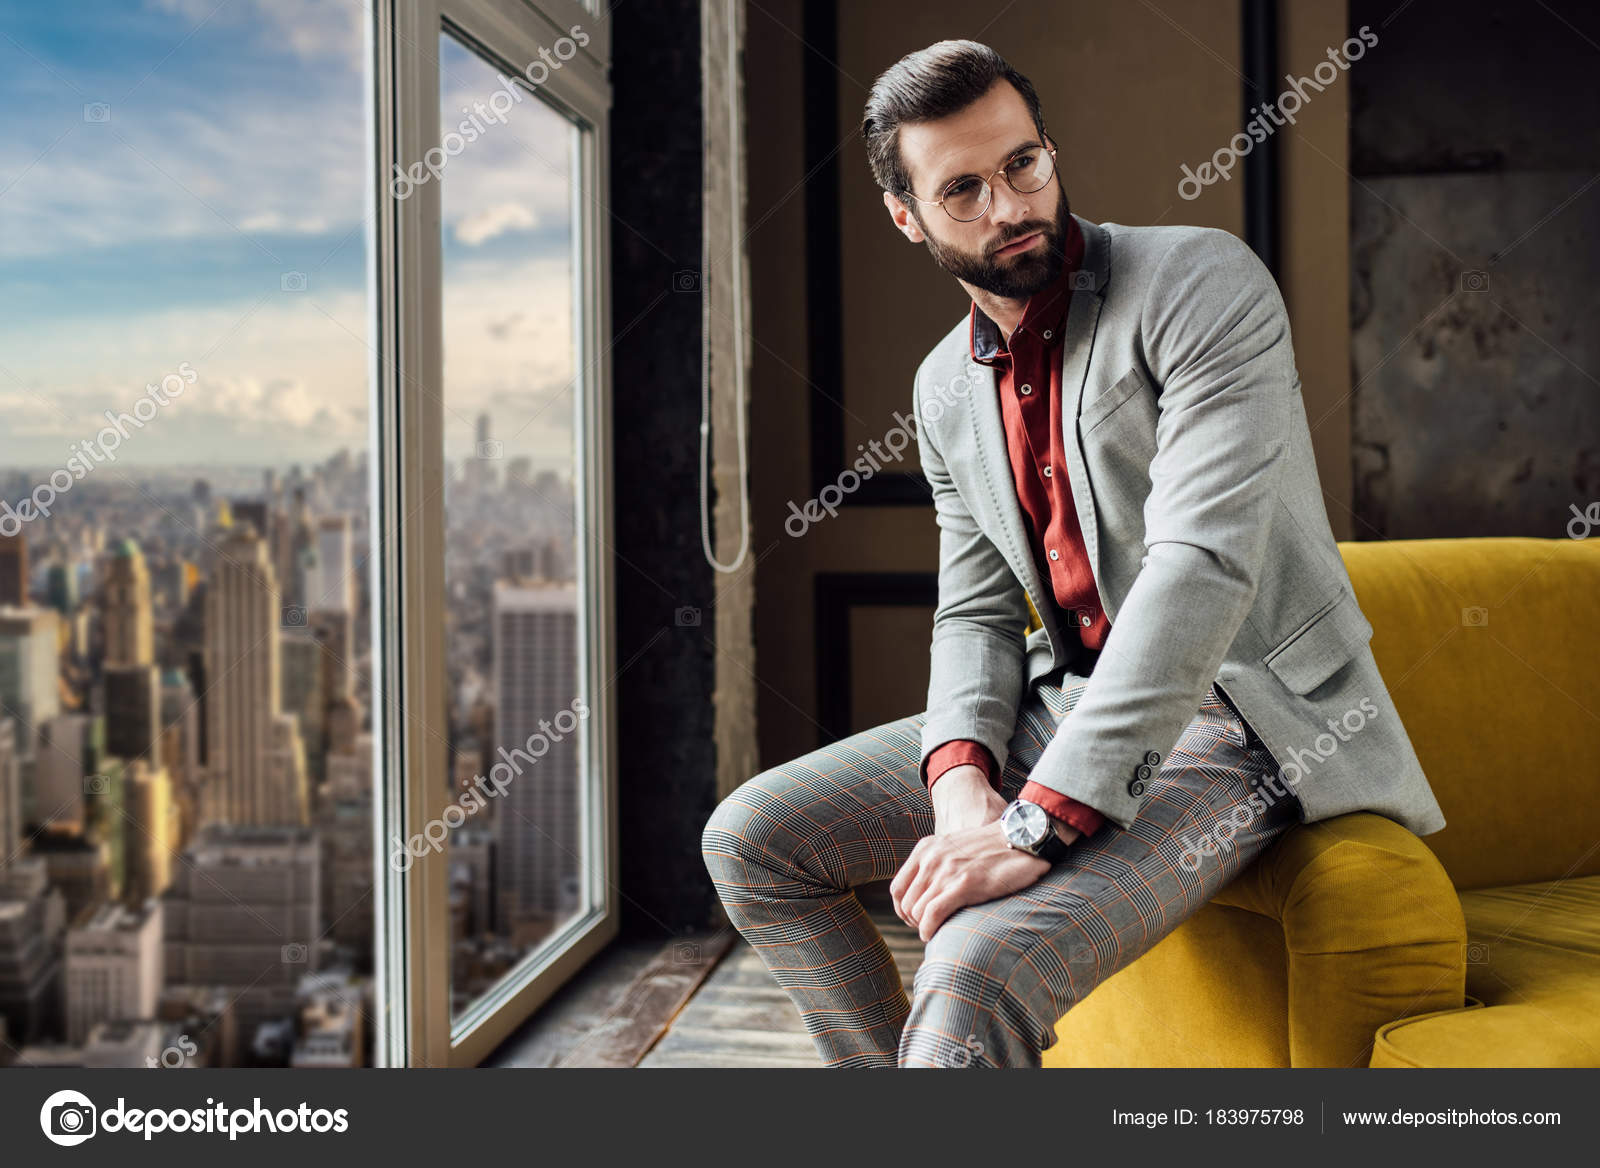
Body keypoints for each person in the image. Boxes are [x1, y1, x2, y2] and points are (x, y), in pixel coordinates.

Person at [702, 38, 1444, 1069]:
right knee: (751, 840)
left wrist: (1032, 827)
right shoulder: (940, 388)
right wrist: (960, 782)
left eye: (1022, 165)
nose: (1008, 207)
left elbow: (1200, 563)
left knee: (970, 973)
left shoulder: (1199, 281)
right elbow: (972, 611)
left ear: (1048, 149)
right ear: (905, 217)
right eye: (961, 189)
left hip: (1240, 716)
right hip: (1064, 702)